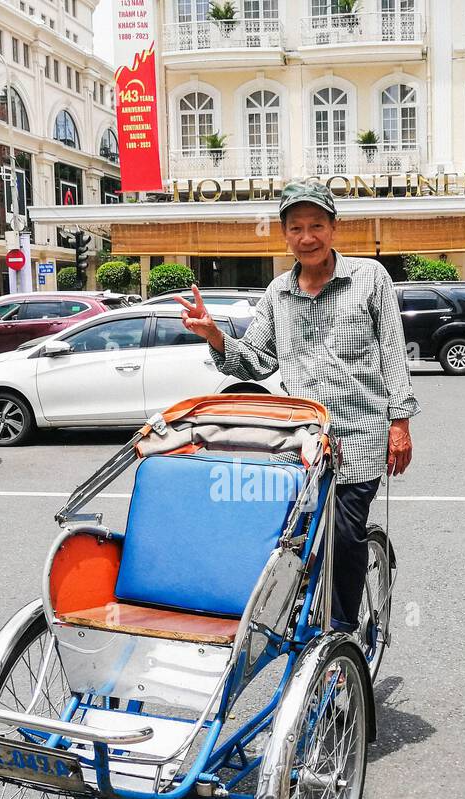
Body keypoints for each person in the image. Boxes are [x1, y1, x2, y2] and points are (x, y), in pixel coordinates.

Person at [175, 180, 419, 637]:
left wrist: (399, 422)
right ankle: (288, 615)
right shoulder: (277, 293)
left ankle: (340, 638)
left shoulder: (370, 279)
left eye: (316, 226)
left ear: (333, 228)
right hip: (301, 442)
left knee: (345, 538)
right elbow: (257, 359)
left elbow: (392, 352)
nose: (307, 237)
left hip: (359, 436)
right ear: (285, 234)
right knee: (290, 539)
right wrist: (214, 336)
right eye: (296, 228)